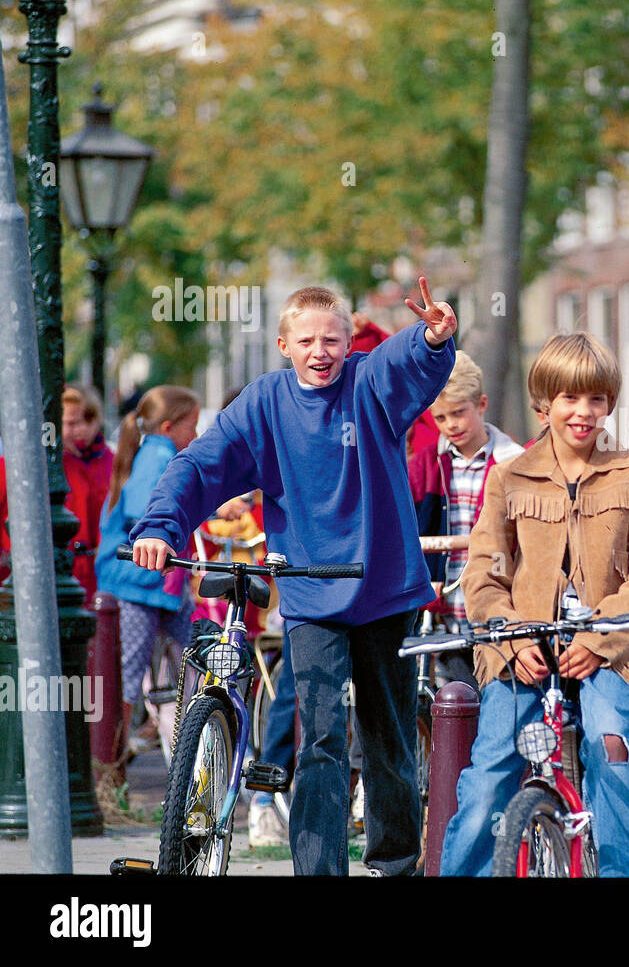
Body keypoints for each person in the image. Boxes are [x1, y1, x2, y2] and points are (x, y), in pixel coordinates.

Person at [126, 280, 457, 876]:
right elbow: (200, 463)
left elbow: (403, 365)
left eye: (332, 339)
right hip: (310, 594)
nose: (320, 350)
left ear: (348, 343)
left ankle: (396, 865)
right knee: (322, 740)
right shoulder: (264, 403)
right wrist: (159, 527)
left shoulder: (368, 384)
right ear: (283, 344)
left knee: (388, 740)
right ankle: (318, 871)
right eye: (306, 340)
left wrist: (431, 339)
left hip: (382, 585)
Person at [439, 332, 629, 877]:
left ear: (609, 403)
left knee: (612, 749)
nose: (582, 413)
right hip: (522, 648)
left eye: (594, 399)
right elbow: (484, 571)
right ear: (545, 402)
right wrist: (514, 637)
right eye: (569, 399)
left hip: (608, 646)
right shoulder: (509, 475)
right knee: (491, 768)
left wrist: (599, 639)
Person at [94, 385, 201, 751]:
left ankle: (189, 728)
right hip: (135, 584)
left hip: (151, 583)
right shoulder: (159, 454)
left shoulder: (157, 452)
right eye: (192, 427)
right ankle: (110, 764)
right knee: (129, 671)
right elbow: (143, 507)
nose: (196, 435)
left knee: (182, 652)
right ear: (169, 427)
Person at [408, 351, 524, 673]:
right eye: (440, 418)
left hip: (498, 604)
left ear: (482, 405)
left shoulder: (512, 461)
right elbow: (413, 528)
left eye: (459, 413)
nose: (451, 425)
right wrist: (426, 576)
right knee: (454, 698)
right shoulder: (424, 465)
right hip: (444, 610)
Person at [0, 384, 113, 601]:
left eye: (87, 420)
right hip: (27, 573)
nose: (79, 430)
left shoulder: (99, 462)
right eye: (70, 423)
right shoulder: (23, 465)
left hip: (83, 574)